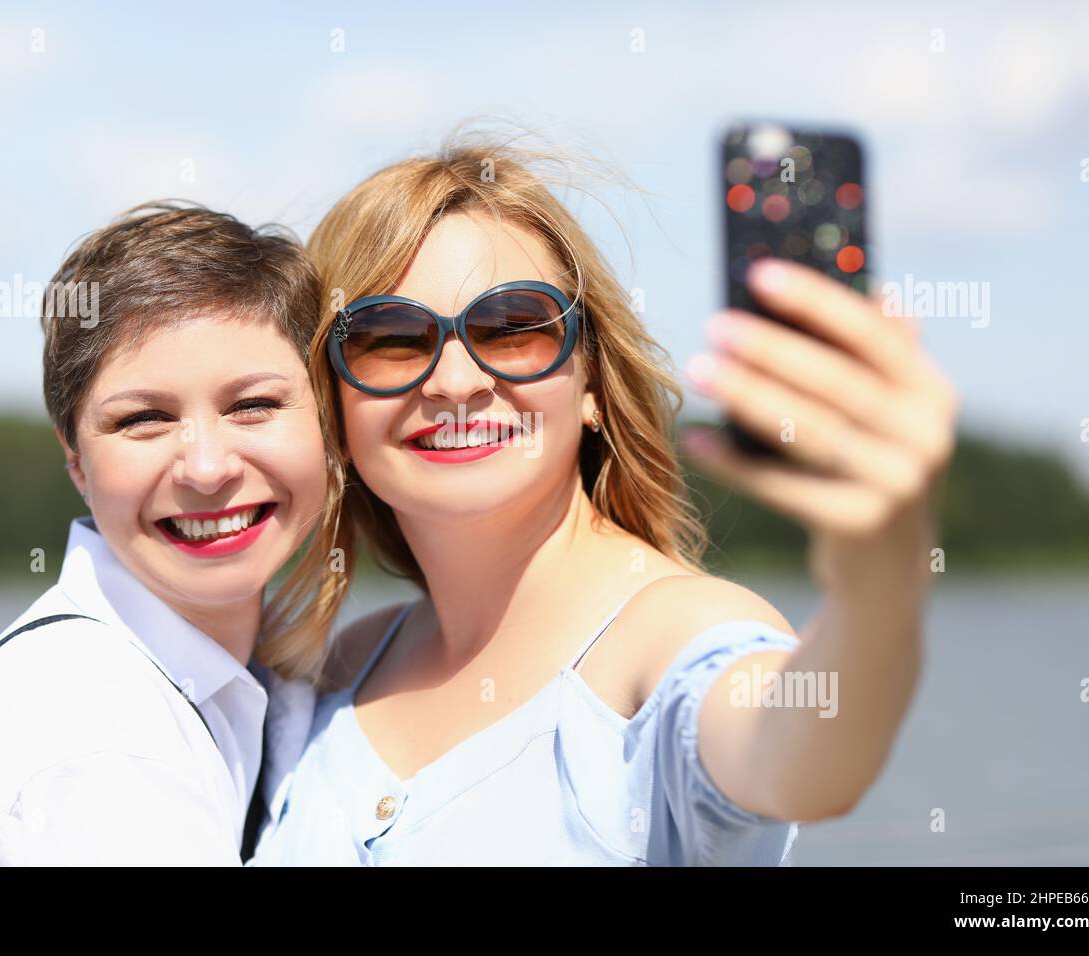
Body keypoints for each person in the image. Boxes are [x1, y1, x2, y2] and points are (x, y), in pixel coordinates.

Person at [252, 134, 957, 865]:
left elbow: (806, 756)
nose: (455, 382)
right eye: (389, 338)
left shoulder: (671, 635)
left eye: (513, 328)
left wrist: (879, 579)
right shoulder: (347, 665)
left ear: (590, 383)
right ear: (331, 398)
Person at [0, 202, 333, 865]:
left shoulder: (235, 684)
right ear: (76, 461)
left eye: (253, 406)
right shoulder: (93, 723)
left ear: (326, 425)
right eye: (144, 419)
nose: (207, 469)